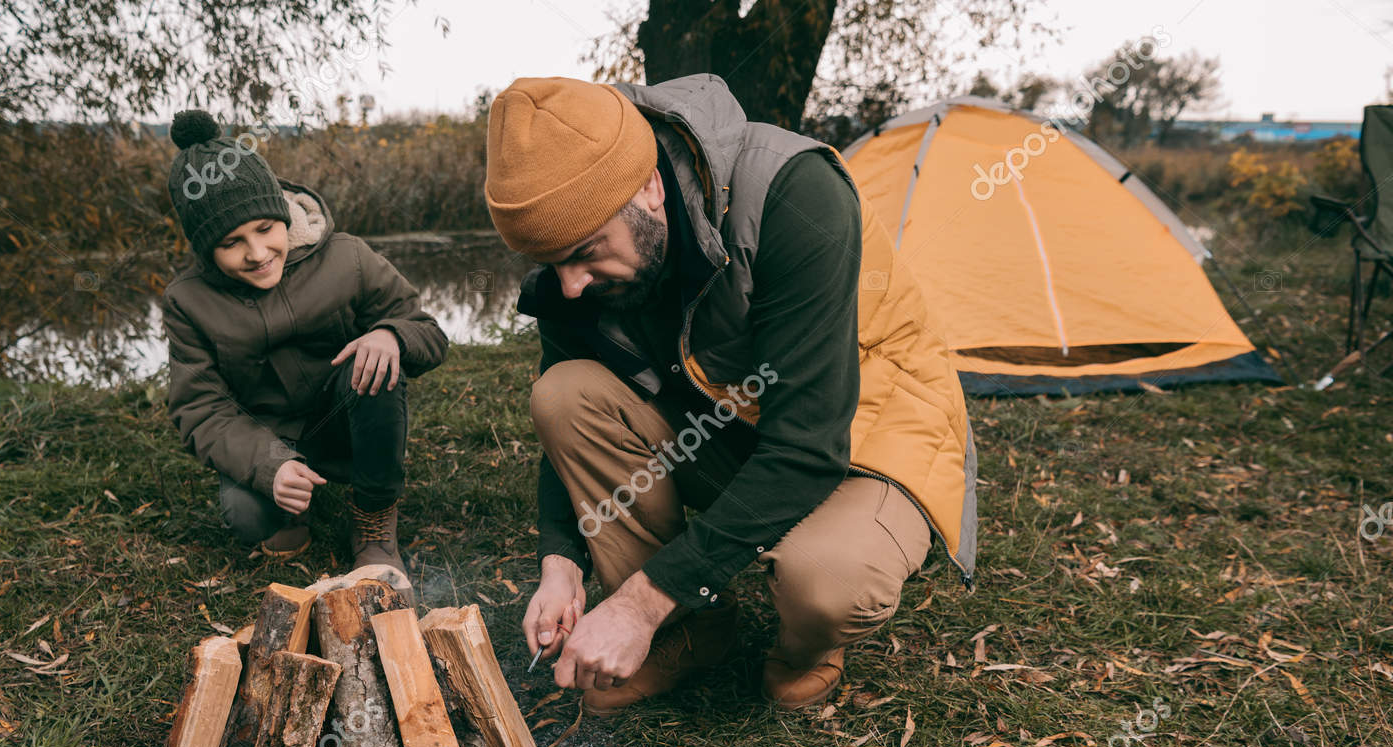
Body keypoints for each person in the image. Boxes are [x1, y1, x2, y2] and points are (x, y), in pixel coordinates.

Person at [485, 75, 978, 713]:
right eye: (551, 264)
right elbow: (566, 424)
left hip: (868, 438)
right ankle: (692, 630)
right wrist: (560, 559)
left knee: (826, 583)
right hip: (736, 429)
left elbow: (805, 448)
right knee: (565, 393)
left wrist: (637, 599)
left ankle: (804, 648)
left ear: (649, 187)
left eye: (584, 253)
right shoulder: (579, 268)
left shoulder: (796, 194)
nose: (571, 286)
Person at [162, 110, 448, 574]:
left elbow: (428, 332)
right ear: (205, 248)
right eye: (232, 242)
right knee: (247, 516)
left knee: (375, 367)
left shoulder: (348, 257)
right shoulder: (187, 301)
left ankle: (374, 517)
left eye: (264, 229)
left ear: (282, 214)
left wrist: (391, 334)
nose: (257, 254)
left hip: (348, 418)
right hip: (270, 438)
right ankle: (294, 505)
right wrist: (267, 465)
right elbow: (200, 408)